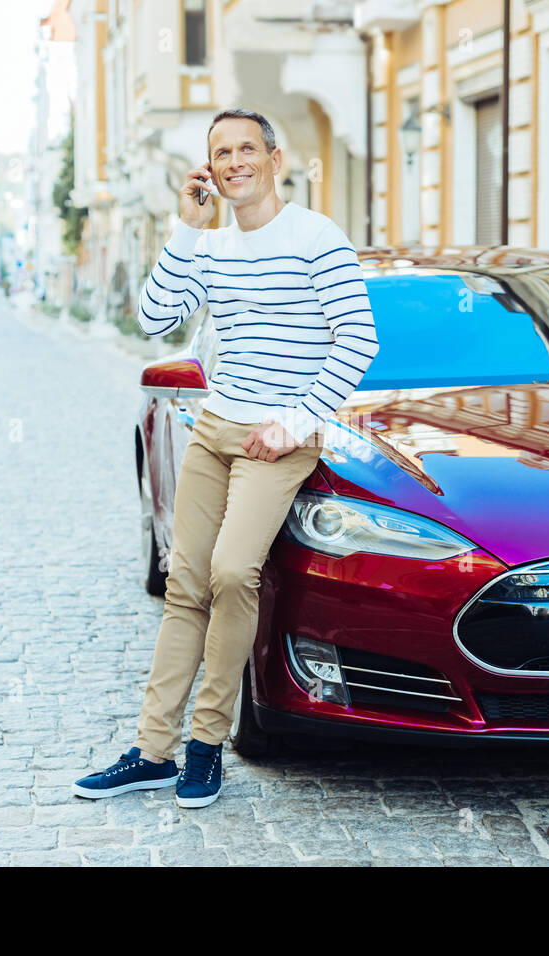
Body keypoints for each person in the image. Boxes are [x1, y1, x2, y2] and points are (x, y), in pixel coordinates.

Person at [73, 107, 379, 808]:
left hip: (275, 441)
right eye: (220, 153)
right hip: (214, 430)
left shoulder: (315, 236)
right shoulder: (209, 247)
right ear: (209, 169)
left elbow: (358, 338)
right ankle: (153, 751)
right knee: (185, 585)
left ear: (275, 158)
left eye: (247, 148)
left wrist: (298, 421)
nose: (234, 161)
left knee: (232, 574)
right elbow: (153, 317)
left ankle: (206, 744)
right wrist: (185, 227)